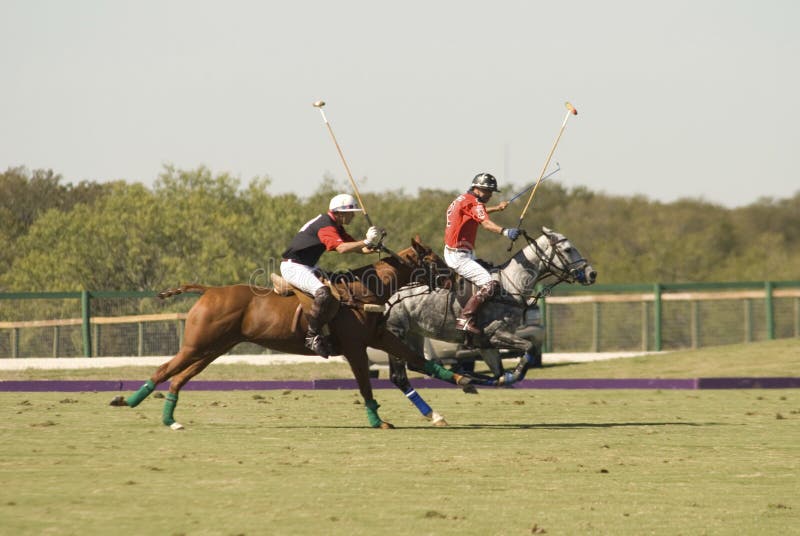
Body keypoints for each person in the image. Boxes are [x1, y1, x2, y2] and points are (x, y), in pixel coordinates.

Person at [281, 193, 383, 357]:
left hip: (308, 266)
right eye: (351, 213)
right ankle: (311, 336)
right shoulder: (326, 226)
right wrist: (366, 241)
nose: (354, 216)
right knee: (323, 292)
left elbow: (358, 248)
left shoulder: (336, 226)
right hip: (294, 267)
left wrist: (374, 245)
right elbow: (342, 249)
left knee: (339, 286)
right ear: (340, 212)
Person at [444, 172, 520, 335]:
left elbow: (475, 211)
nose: (490, 195)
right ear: (477, 188)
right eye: (488, 191)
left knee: (488, 270)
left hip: (458, 251)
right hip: (459, 255)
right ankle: (465, 318)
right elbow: (485, 222)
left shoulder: (463, 199)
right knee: (490, 284)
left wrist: (496, 208)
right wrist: (505, 231)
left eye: (491, 192)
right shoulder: (475, 203)